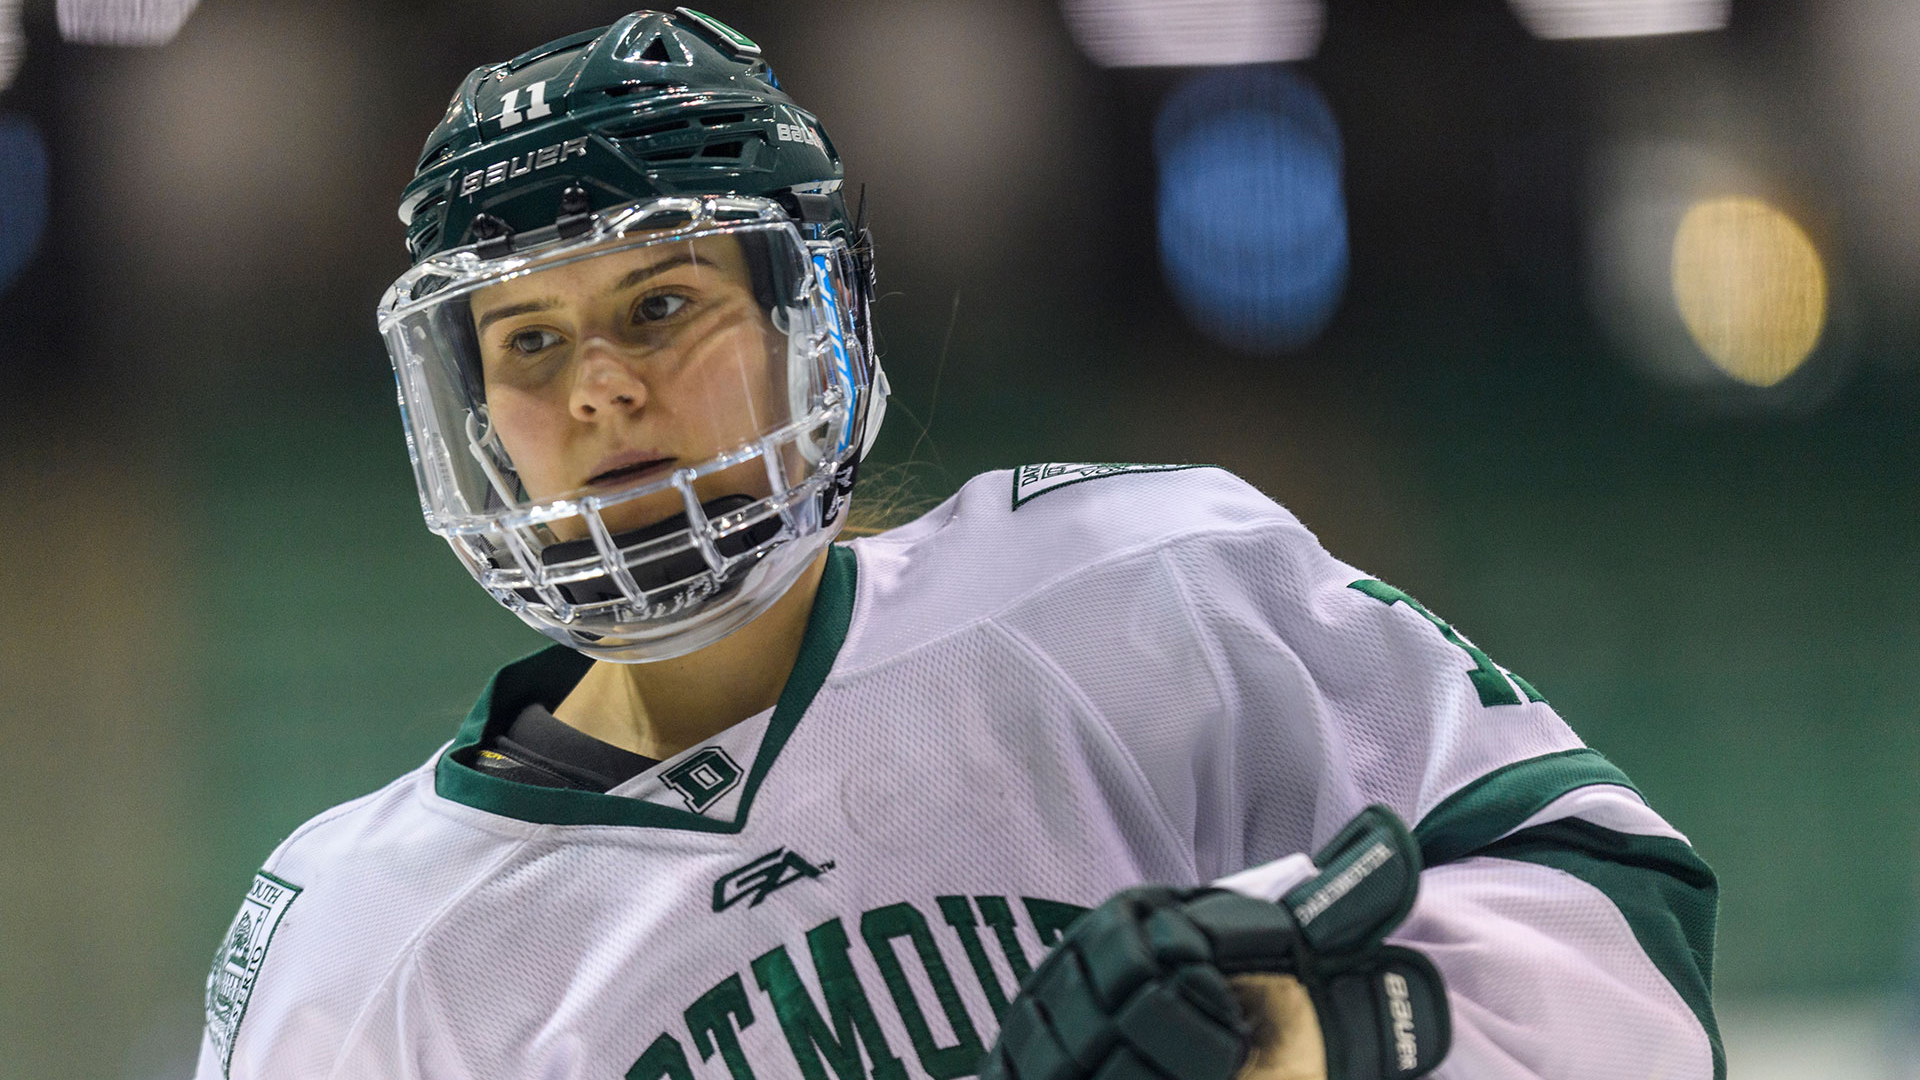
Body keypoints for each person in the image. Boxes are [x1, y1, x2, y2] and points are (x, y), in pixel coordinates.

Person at [195, 10, 1722, 1080]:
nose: (597, 385)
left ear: (816, 322)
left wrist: (1318, 1033)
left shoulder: (1146, 589)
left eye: (661, 306)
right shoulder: (358, 949)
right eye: (526, 342)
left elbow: (1623, 932)